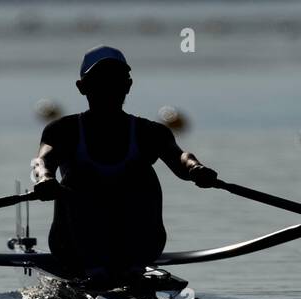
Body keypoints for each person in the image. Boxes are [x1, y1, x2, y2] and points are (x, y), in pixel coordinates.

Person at [31, 46, 217, 281]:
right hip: (74, 248)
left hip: (138, 247)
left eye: (116, 80)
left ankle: (131, 268)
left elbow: (180, 158)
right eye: (100, 80)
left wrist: (195, 168)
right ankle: (96, 269)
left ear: (128, 85)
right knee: (80, 179)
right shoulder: (62, 131)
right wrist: (45, 179)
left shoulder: (150, 132)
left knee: (142, 176)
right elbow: (41, 161)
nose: (108, 87)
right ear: (82, 87)